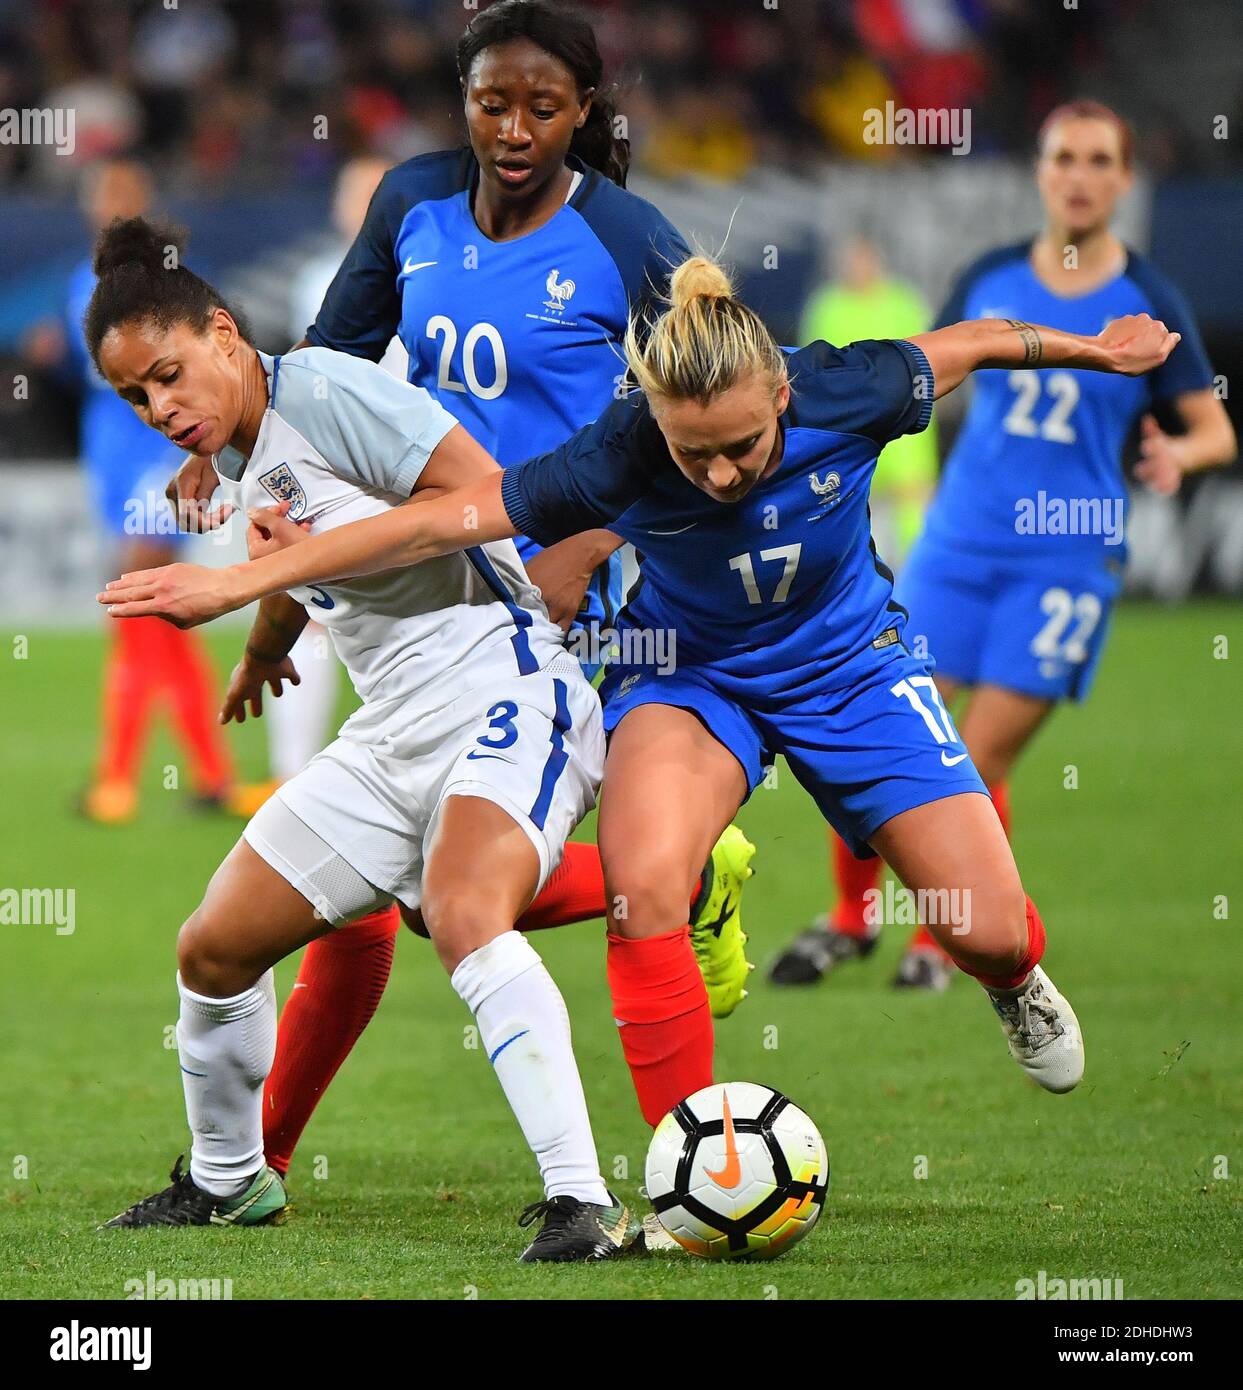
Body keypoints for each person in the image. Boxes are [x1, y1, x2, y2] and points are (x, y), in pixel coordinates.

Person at [99, 253, 1185, 1118]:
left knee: (984, 928)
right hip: (690, 673)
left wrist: (1094, 348)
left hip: (850, 665)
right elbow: (434, 519)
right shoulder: (616, 451)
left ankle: (1012, 980)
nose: (716, 475)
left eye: (741, 449)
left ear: (783, 394)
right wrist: (247, 585)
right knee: (645, 883)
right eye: (690, 455)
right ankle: (695, 1175)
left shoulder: (852, 384)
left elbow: (978, 343)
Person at [168, 0, 755, 1188]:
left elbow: (701, 401)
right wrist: (224, 460)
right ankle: (251, 1165)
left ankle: (672, 891)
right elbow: (317, 376)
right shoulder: (411, 205)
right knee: (387, 897)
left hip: (559, 584)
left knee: (446, 899)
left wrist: (591, 544)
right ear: (464, 100)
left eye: (545, 107)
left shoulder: (629, 236)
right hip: (432, 573)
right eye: (494, 103)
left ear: (584, 111)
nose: (516, 129)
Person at [90, 215, 638, 1261]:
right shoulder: (247, 452)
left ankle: (581, 1201)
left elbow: (485, 497)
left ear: (223, 334)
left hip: (505, 684)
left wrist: (246, 579)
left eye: (167, 375)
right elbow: (318, 551)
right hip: (389, 732)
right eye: (135, 396)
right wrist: (264, 644)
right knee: (211, 948)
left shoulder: (332, 390)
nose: (160, 408)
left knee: (464, 912)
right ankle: (227, 1182)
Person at [771, 100, 1236, 993]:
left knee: (970, 762)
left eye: (1100, 160)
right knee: (888, 734)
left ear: (1123, 178)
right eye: (1064, 157)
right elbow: (926, 374)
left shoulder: (1148, 299)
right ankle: (852, 921)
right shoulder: (985, 277)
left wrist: (1176, 449)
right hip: (957, 540)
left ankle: (936, 942)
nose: (1079, 176)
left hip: (1065, 559)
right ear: (1041, 171)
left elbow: (1213, 429)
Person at [26, 159, 234, 824]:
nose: (110, 204)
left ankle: (117, 777)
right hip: (110, 460)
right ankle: (209, 776)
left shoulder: (162, 289)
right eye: (101, 194)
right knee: (157, 617)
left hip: (154, 457)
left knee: (138, 603)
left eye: (122, 193)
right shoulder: (77, 281)